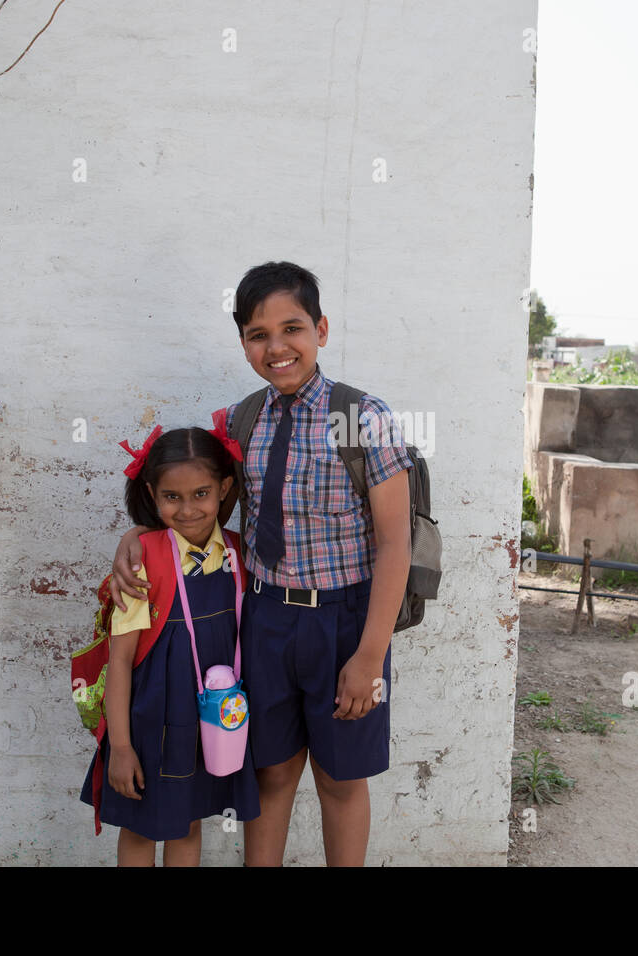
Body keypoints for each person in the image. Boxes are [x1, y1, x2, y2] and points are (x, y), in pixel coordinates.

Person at [110, 261, 412, 866]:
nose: (277, 347)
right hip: (265, 622)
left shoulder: (364, 418)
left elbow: (395, 544)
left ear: (321, 330)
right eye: (257, 334)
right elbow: (198, 505)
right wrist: (136, 537)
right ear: (244, 342)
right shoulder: (242, 424)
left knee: (341, 780)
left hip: (345, 625)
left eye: (292, 328)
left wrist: (370, 654)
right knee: (271, 778)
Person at [80, 425, 259, 866]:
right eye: (172, 497)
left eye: (201, 493)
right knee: (142, 826)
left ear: (225, 488)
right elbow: (121, 662)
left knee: (189, 821)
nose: (188, 509)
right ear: (152, 494)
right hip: (151, 727)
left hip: (211, 719)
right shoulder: (143, 562)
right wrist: (121, 748)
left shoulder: (238, 553)